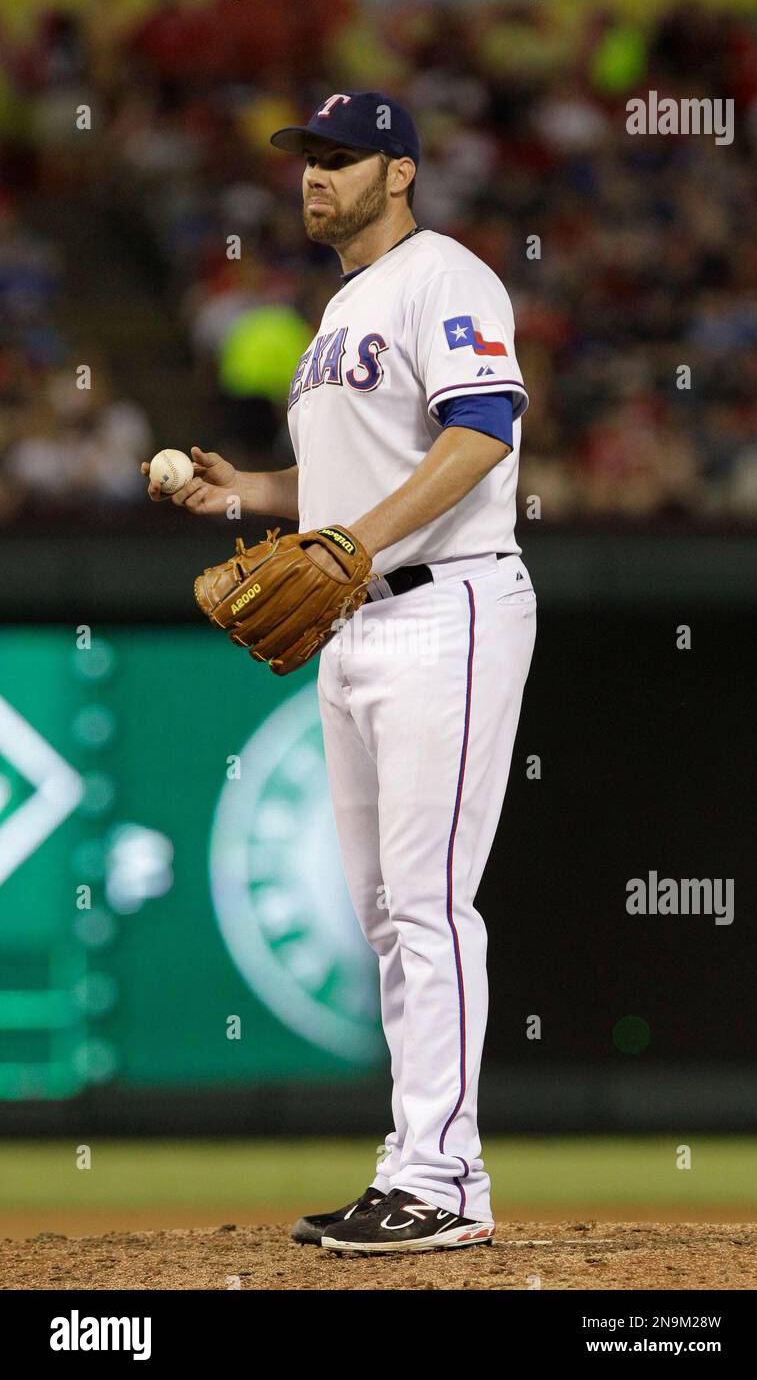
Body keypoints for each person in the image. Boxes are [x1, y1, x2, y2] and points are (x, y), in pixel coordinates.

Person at [143, 91, 537, 1256]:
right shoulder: (337, 312)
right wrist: (249, 496)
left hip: (446, 604)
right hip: (358, 628)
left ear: (401, 172)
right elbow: (341, 494)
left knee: (427, 902)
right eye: (307, 159)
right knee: (381, 913)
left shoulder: (446, 277)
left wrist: (360, 544)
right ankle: (413, 1166)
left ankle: (444, 1178)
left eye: (341, 158)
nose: (315, 177)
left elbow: (478, 438)